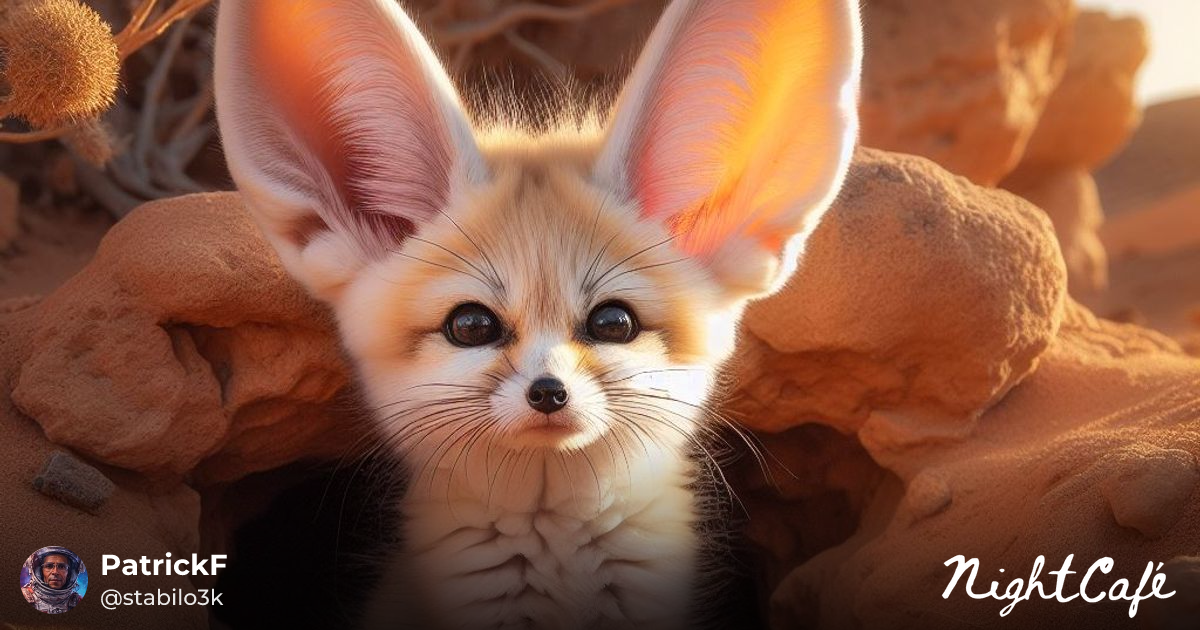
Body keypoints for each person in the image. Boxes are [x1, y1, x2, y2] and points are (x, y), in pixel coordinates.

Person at [21, 547, 84, 614]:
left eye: (62, 566)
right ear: (40, 571)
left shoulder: (77, 601)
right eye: (49, 566)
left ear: (69, 573)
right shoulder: (24, 598)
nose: (55, 572)